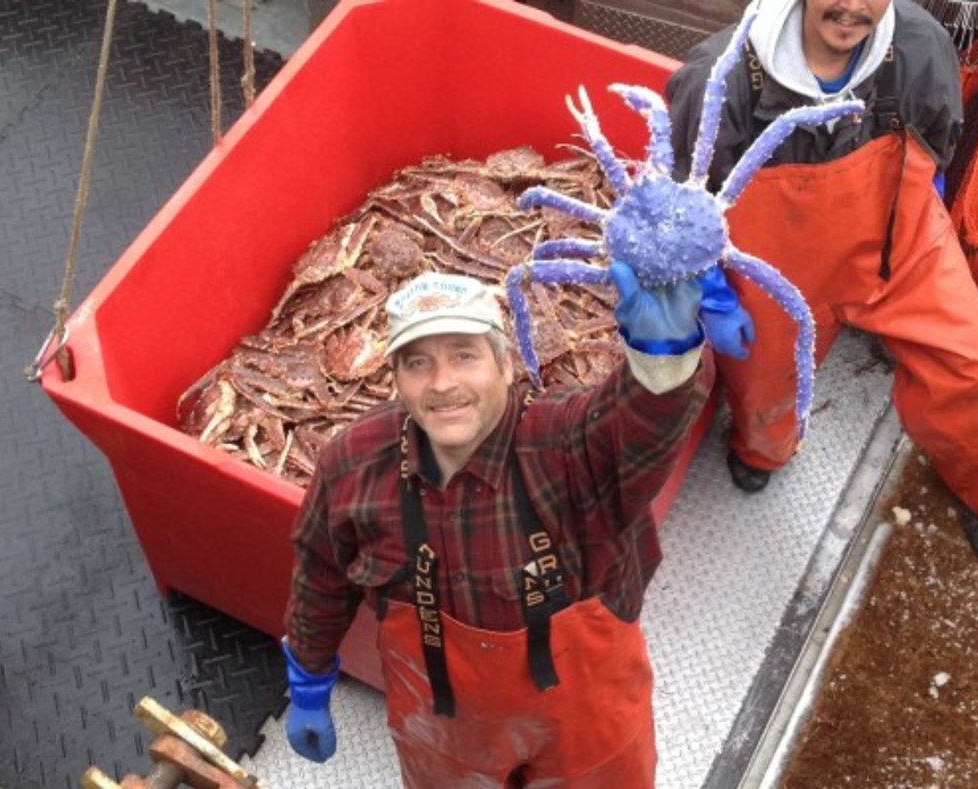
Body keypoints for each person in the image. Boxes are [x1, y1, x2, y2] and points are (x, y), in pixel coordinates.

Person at [280, 267, 714, 785]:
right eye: (418, 363)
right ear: (394, 378)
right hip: (442, 729)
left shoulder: (569, 441)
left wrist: (662, 358)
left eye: (465, 354)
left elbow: (643, 422)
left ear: (506, 365)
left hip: (586, 719)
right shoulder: (350, 465)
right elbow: (320, 578)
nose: (443, 384)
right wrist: (308, 676)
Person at [667, 0, 978, 564]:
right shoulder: (718, 77)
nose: (852, 7)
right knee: (764, 379)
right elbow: (689, 205)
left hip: (898, 235)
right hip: (777, 261)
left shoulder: (921, 44)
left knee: (974, 362)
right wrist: (714, 295)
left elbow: (940, 139)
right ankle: (763, 450)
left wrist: (926, 210)